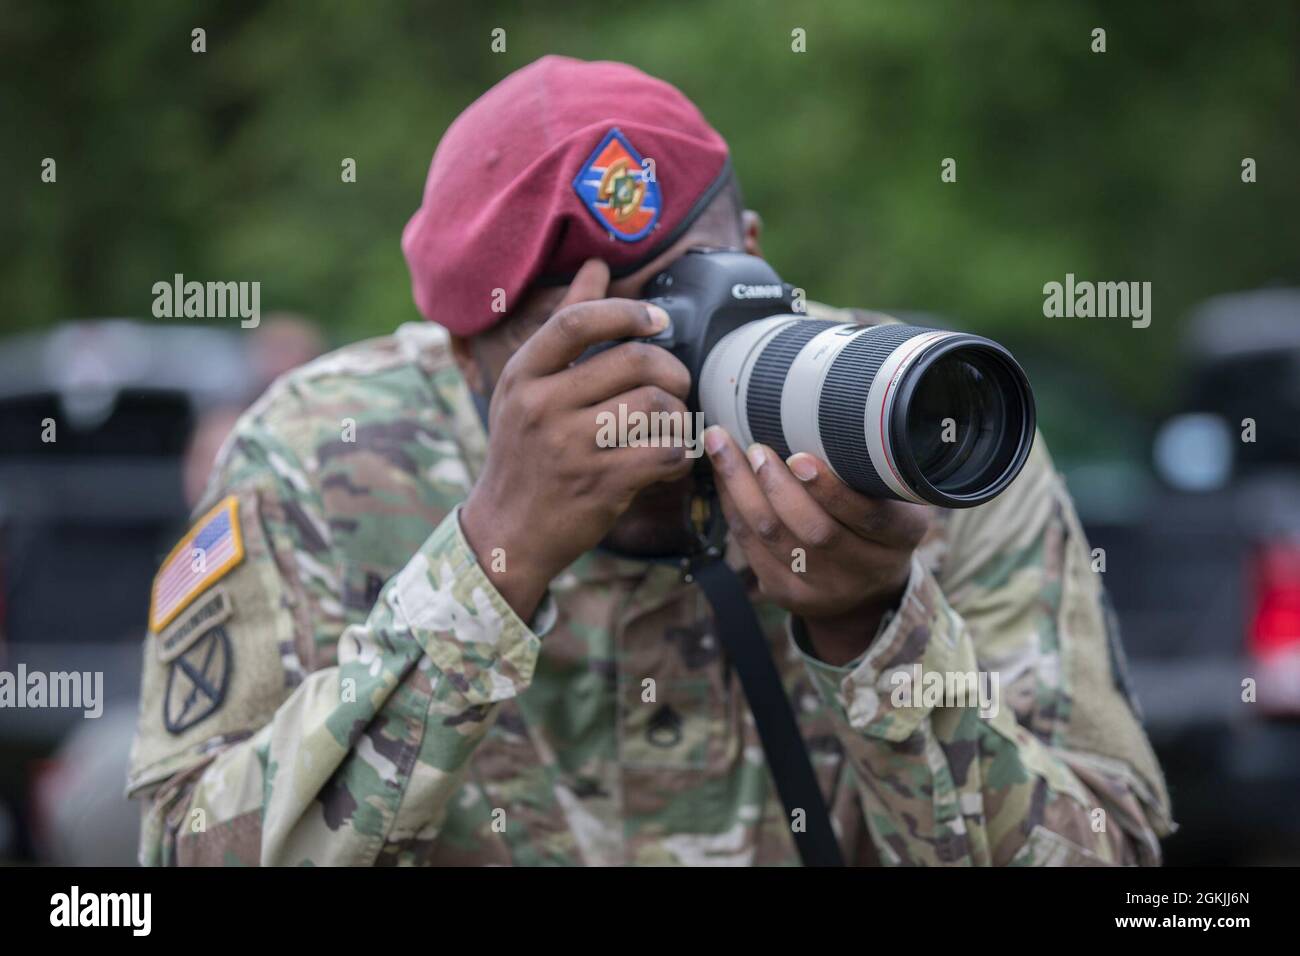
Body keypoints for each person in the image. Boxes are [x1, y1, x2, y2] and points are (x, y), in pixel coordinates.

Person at [127, 56, 1172, 866]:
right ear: (463, 357)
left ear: (754, 243)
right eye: (576, 340)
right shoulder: (323, 456)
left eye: (684, 294)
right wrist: (489, 562)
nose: (648, 375)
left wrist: (874, 630)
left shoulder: (919, 423)